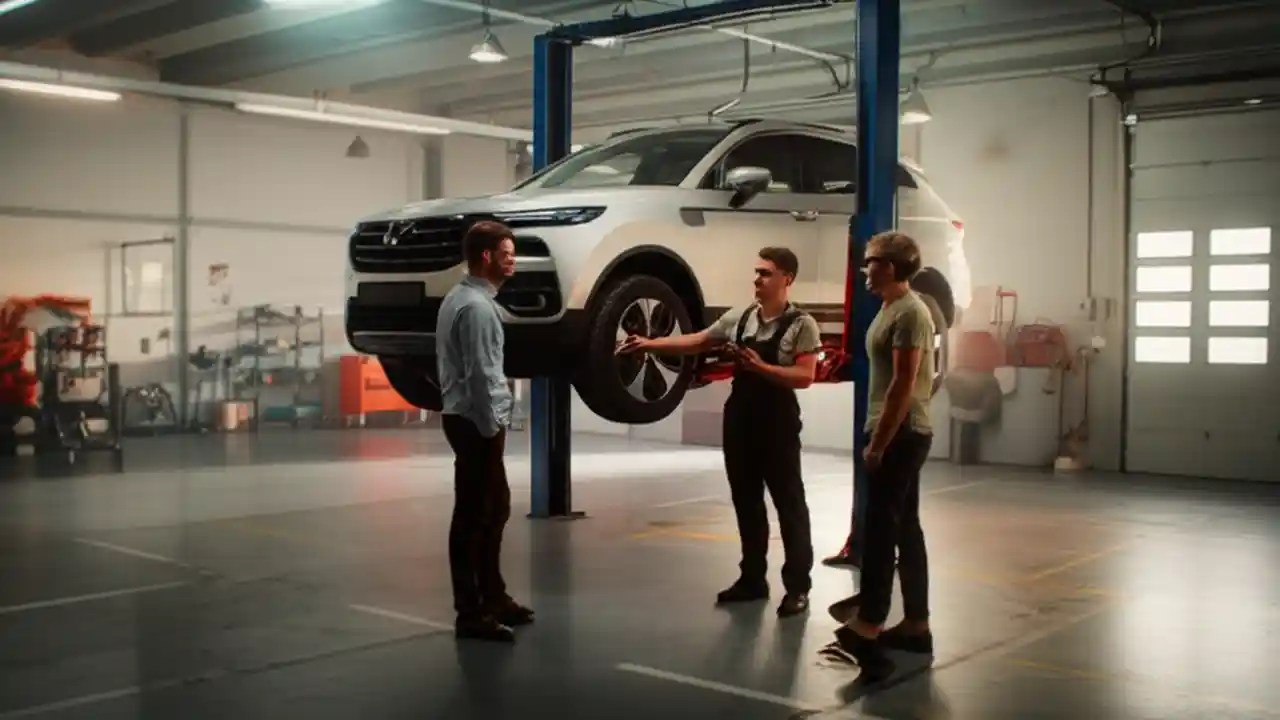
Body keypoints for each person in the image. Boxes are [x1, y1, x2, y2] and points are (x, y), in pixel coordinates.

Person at [618, 246, 820, 617]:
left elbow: (806, 377)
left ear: (787, 279)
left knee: (789, 504)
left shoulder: (801, 324)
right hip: (740, 419)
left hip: (778, 422)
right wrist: (650, 344)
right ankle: (753, 580)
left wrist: (761, 368)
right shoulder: (740, 317)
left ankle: (798, 588)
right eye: (757, 272)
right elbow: (697, 339)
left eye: (766, 273)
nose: (757, 279)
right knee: (746, 501)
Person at [826, 231, 936, 681]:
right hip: (903, 430)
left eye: (870, 262)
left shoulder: (910, 312)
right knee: (905, 527)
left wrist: (879, 443)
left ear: (890, 266)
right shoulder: (893, 309)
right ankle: (916, 625)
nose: (864, 269)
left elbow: (903, 384)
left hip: (899, 433)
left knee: (880, 528)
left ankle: (868, 626)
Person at [435, 219, 532, 643]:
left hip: (472, 419)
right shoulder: (475, 308)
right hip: (476, 422)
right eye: (508, 254)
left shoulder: (466, 299)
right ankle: (470, 612)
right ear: (487, 257)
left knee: (494, 510)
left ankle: (494, 597)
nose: (514, 262)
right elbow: (480, 374)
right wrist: (493, 425)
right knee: (475, 516)